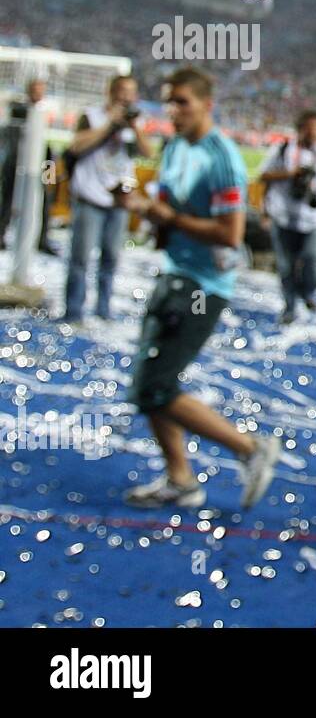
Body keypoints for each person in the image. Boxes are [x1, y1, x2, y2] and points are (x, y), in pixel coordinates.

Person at [116, 67, 280, 509]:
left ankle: (249, 448)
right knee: (153, 383)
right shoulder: (174, 148)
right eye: (168, 101)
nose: (173, 109)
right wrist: (144, 207)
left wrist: (167, 218)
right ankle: (181, 479)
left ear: (207, 104)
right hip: (174, 273)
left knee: (152, 386)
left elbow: (230, 234)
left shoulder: (221, 157)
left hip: (203, 286)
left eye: (182, 101)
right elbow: (166, 205)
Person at [62, 75, 153, 323]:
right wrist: (108, 126)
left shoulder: (134, 123)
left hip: (118, 201)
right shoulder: (91, 116)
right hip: (90, 196)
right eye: (122, 91)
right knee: (80, 258)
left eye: (131, 92)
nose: (126, 97)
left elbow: (148, 152)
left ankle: (103, 310)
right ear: (110, 92)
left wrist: (133, 127)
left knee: (111, 258)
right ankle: (73, 311)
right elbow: (75, 147)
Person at [257, 110, 316, 323]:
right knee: (286, 266)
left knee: (313, 261)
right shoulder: (282, 150)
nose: (312, 133)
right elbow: (263, 175)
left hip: (314, 221)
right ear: (299, 129)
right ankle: (289, 306)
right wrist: (291, 174)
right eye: (308, 128)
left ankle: (308, 294)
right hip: (283, 218)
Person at [0, 76, 55, 253]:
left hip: (45, 160)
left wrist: (50, 175)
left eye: (41, 89)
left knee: (45, 198)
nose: (38, 93)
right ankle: (1, 234)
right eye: (35, 89)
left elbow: (50, 146)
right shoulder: (19, 109)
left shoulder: (48, 110)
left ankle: (42, 238)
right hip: (18, 160)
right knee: (9, 198)